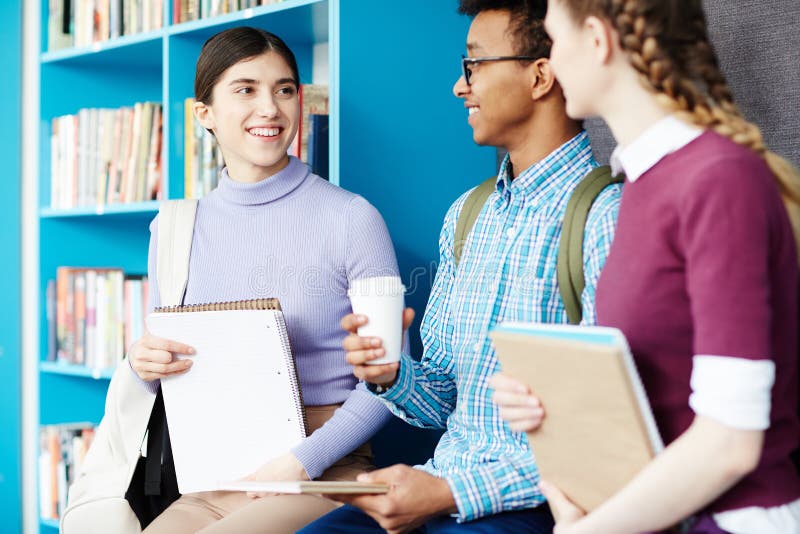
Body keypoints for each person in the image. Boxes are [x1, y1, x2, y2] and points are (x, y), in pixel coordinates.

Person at [299, 1, 621, 532]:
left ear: (540, 75)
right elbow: (445, 401)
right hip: (441, 485)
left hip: (533, 508)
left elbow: (604, 435)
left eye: (473, 65)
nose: (458, 86)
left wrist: (449, 492)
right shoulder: (468, 216)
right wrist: (390, 376)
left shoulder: (605, 217)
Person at [491, 1, 800, 532]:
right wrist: (558, 403)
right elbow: (665, 389)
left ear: (596, 38)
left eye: (555, 40)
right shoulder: (639, 184)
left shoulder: (719, 180)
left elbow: (730, 441)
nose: (553, 62)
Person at [126, 26, 399, 534]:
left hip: (323, 470)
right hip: (209, 478)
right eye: (246, 89)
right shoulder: (174, 229)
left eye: (285, 89)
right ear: (203, 113)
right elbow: (162, 365)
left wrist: (302, 461)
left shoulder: (352, 218)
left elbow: (389, 378)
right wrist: (143, 360)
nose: (271, 108)